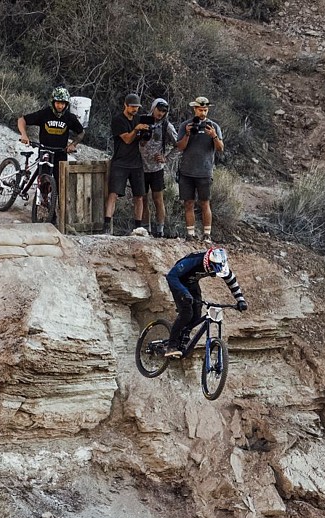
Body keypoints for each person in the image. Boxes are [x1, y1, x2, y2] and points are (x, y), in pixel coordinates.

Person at [163, 244, 248, 358]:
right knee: (186, 313)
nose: (214, 272)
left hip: (192, 283)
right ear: (208, 262)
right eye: (213, 269)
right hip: (178, 283)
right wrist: (184, 293)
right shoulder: (193, 261)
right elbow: (171, 276)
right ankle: (171, 346)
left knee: (197, 315)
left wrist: (240, 300)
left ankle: (183, 334)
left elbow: (231, 281)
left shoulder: (220, 264)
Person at [16, 88, 82, 200]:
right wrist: (24, 134)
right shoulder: (45, 114)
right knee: (44, 180)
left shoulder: (69, 117)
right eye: (58, 103)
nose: (60, 106)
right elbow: (22, 120)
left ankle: (57, 206)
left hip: (61, 153)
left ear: (67, 104)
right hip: (45, 151)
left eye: (63, 103)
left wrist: (73, 144)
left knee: (61, 182)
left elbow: (81, 132)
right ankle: (42, 203)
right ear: (53, 102)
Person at [175, 96, 224, 242]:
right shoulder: (185, 125)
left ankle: (207, 234)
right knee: (188, 203)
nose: (203, 113)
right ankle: (190, 234)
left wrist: (214, 136)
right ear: (194, 109)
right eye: (200, 110)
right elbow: (180, 147)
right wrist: (187, 134)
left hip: (204, 171)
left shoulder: (213, 126)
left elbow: (220, 148)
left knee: (205, 202)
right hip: (187, 171)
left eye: (205, 110)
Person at [103, 92, 152, 236]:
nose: (135, 109)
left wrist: (146, 134)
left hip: (136, 162)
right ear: (125, 105)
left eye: (137, 107)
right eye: (132, 106)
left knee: (139, 195)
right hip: (120, 161)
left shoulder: (139, 119)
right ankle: (107, 224)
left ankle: (138, 226)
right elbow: (127, 139)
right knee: (113, 193)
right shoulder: (118, 120)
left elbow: (142, 143)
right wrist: (136, 129)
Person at [141, 98, 179, 238]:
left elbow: (179, 145)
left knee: (158, 199)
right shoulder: (142, 121)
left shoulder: (166, 126)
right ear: (153, 108)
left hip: (157, 168)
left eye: (164, 111)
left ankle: (160, 230)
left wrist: (166, 158)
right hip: (140, 166)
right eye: (159, 110)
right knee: (142, 199)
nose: (160, 113)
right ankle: (145, 229)